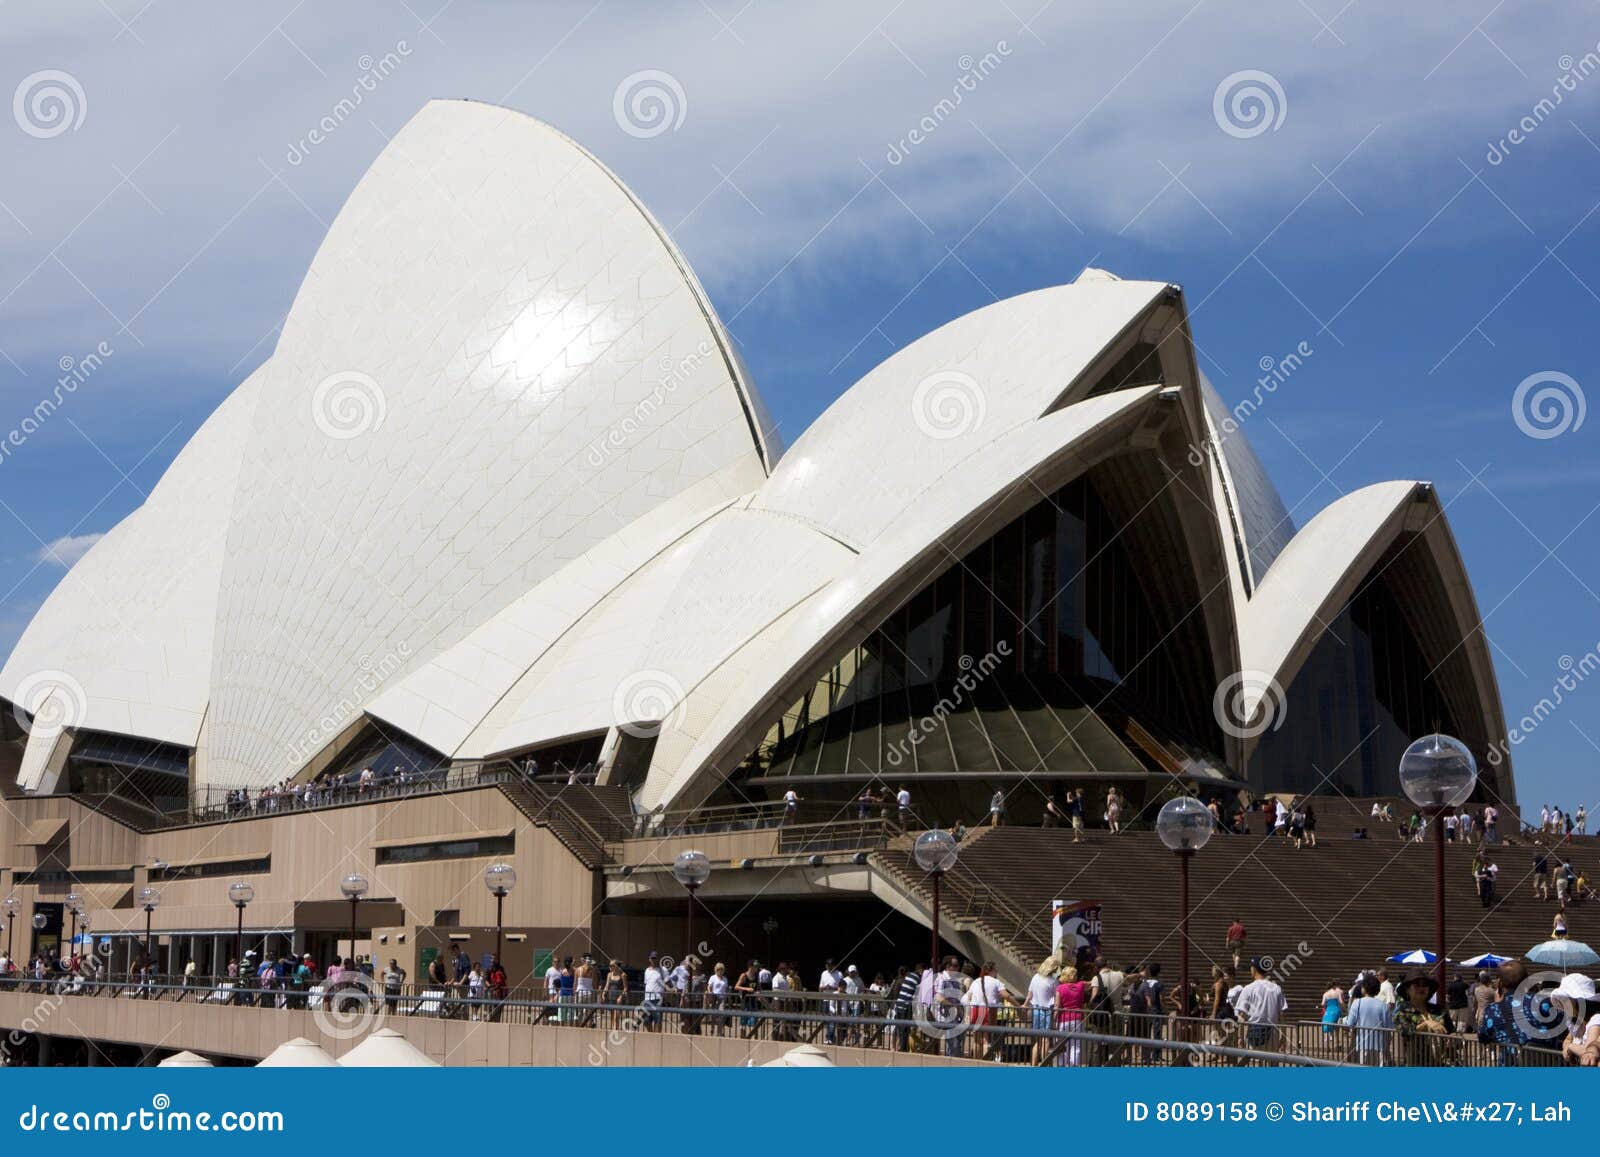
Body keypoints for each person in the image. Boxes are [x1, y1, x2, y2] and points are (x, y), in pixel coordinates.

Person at [1395, 971, 1454, 1065]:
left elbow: (1451, 1030)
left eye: (1425, 985)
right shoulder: (1402, 1011)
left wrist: (1452, 1039)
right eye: (1416, 985)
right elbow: (1406, 1031)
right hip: (1416, 1063)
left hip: (1442, 1064)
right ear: (1407, 989)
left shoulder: (1439, 1009)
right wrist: (1426, 1023)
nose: (1421, 988)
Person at [1233, 958, 1287, 1054]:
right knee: (1272, 1065)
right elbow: (1282, 1015)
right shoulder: (1276, 988)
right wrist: (1283, 1037)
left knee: (1255, 1063)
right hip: (1272, 1033)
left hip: (1254, 1031)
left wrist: (1240, 1037)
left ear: (1254, 969)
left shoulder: (1248, 988)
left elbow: (1241, 1015)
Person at [1343, 978, 1394, 1065]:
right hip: (1379, 1046)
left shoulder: (1357, 1003)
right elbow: (1389, 1028)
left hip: (1362, 1045)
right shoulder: (1384, 1006)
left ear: (1364, 988)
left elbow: (1350, 1024)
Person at [1556, 974, 1600, 1066]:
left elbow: (1588, 1051)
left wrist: (1571, 1047)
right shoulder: (1576, 1021)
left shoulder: (1595, 1020)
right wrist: (1566, 1046)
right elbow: (1568, 1039)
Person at [1025, 956, 1060, 1063]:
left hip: (1036, 1010)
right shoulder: (1053, 981)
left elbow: (1029, 995)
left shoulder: (1035, 977)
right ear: (1053, 968)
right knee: (1046, 1040)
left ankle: (1033, 1064)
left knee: (1038, 1041)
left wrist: (1025, 1004)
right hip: (1047, 1011)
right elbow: (1057, 1002)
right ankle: (1045, 1064)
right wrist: (1055, 1017)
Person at [1055, 964, 1089, 1066]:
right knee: (1076, 1045)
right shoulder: (1080, 985)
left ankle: (1061, 1066)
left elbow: (1057, 1006)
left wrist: (1053, 1020)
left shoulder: (1059, 988)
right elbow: (1092, 983)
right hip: (1077, 1019)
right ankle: (1074, 1066)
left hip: (1063, 1019)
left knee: (1062, 1045)